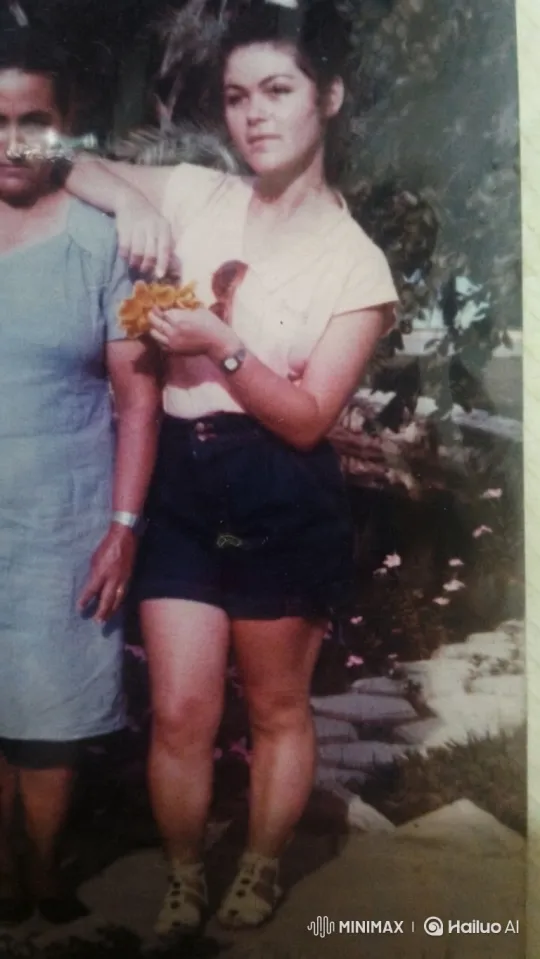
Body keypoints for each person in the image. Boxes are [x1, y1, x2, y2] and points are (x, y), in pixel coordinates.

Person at [66, 0, 399, 937]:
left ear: (326, 99)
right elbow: (71, 158)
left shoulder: (355, 265)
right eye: (237, 96)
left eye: (279, 91)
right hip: (179, 476)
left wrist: (220, 346)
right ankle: (182, 875)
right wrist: (133, 198)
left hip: (276, 483)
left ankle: (256, 865)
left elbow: (305, 420)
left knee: (280, 703)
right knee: (178, 708)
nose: (254, 114)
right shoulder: (195, 194)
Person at [0, 27, 161, 924]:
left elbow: (137, 403)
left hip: (63, 517)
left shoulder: (100, 241)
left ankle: (44, 869)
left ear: (63, 131)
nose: (13, 138)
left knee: (48, 712)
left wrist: (123, 527)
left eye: (34, 121)